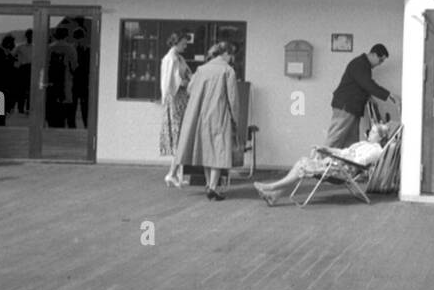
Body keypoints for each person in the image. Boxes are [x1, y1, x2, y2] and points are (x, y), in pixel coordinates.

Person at [254, 123, 391, 206]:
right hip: (335, 164)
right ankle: (275, 195)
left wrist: (337, 156)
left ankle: (271, 187)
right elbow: (344, 151)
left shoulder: (376, 150)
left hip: (341, 170)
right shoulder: (363, 143)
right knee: (304, 163)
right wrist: (327, 149)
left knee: (303, 165)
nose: (369, 133)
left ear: (381, 137)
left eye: (373, 132)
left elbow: (359, 162)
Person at [171, 40, 242, 199]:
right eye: (231, 55)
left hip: (201, 115)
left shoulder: (202, 69)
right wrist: (236, 118)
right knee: (218, 151)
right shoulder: (227, 70)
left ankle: (209, 184)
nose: (231, 59)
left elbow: (190, 89)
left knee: (206, 151)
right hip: (219, 114)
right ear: (226, 54)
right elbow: (233, 98)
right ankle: (212, 187)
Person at [327, 44, 396, 148]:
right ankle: (319, 162)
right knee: (335, 137)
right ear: (373, 54)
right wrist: (389, 95)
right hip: (345, 106)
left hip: (352, 108)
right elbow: (368, 84)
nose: (380, 64)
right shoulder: (360, 64)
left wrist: (369, 97)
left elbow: (361, 85)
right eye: (380, 60)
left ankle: (347, 164)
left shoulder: (364, 66)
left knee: (351, 141)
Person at [160, 34, 193, 185]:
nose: (185, 46)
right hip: (175, 101)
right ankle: (172, 174)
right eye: (184, 43)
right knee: (180, 138)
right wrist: (186, 83)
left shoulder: (178, 58)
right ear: (177, 42)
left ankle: (175, 174)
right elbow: (170, 82)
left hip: (180, 101)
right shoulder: (171, 59)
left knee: (181, 137)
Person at [45, 26, 78, 128]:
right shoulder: (70, 48)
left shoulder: (49, 48)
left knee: (52, 112)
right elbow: (74, 66)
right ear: (66, 36)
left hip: (51, 84)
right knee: (64, 111)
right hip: (65, 83)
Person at [71, 27, 91, 127]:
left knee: (74, 105)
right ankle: (86, 125)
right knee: (84, 106)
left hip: (75, 80)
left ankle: (73, 126)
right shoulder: (88, 49)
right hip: (83, 80)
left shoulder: (71, 49)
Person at [13, 29, 33, 113]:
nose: (30, 37)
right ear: (26, 36)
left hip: (32, 68)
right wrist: (17, 64)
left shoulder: (36, 46)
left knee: (31, 89)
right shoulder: (20, 46)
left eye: (31, 35)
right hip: (23, 68)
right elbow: (12, 55)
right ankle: (20, 108)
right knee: (21, 89)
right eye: (29, 35)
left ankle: (29, 108)